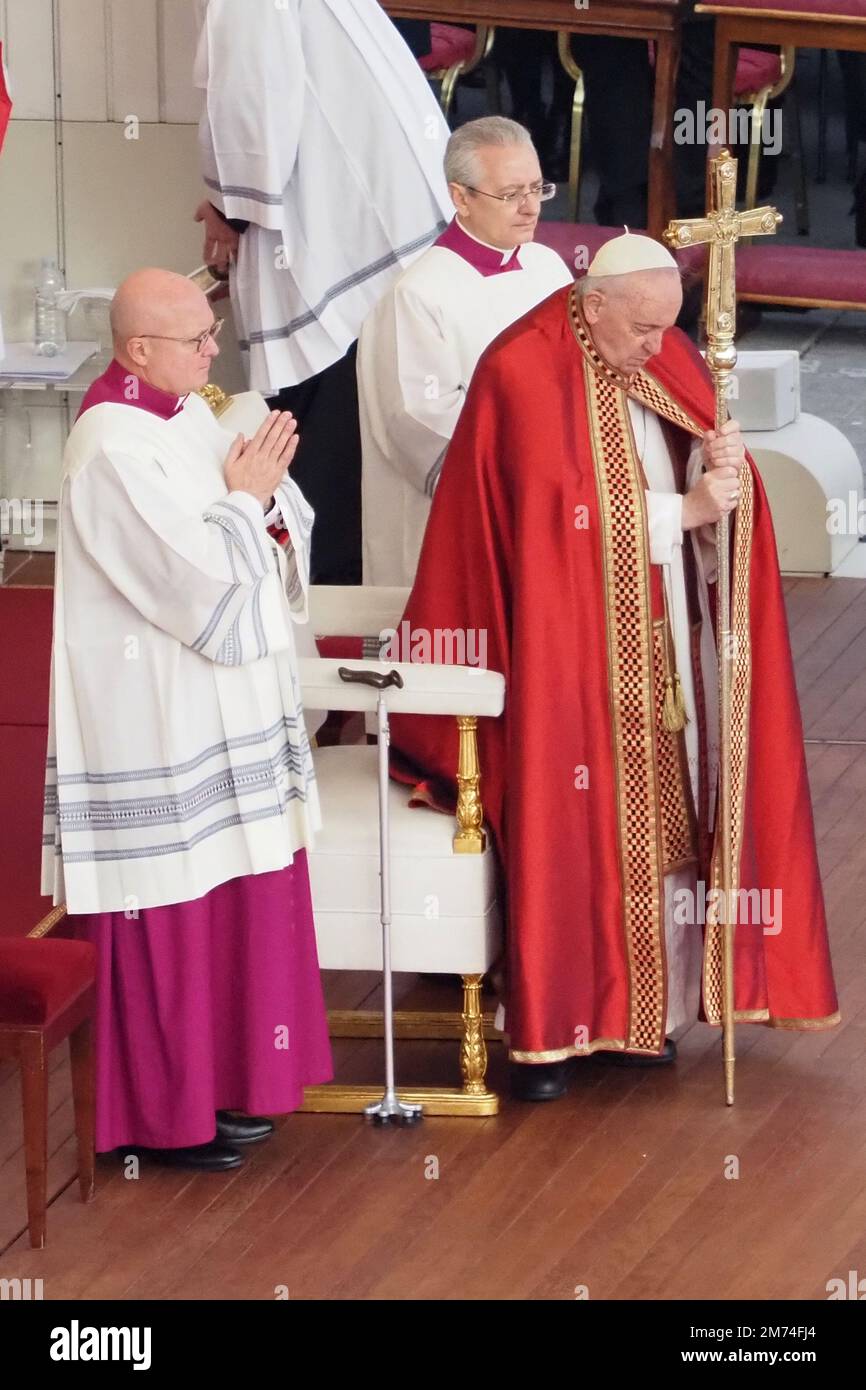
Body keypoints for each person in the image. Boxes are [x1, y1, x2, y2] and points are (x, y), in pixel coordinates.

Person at [390, 231, 840, 1101]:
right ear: (593, 306)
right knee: (571, 827)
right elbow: (557, 533)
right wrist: (685, 507)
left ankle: (649, 1017)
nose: (652, 349)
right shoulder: (523, 370)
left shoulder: (656, 349)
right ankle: (558, 1023)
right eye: (640, 330)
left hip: (653, 634)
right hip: (556, 651)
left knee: (663, 824)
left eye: (666, 330)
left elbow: (689, 472)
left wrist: (722, 490)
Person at [42, 268, 332, 1168]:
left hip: (219, 712)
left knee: (234, 896)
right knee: (168, 910)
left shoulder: (186, 412)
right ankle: (159, 1118)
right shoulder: (111, 446)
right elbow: (193, 587)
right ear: (138, 352)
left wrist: (269, 497)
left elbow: (256, 528)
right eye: (198, 341)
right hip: (153, 718)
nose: (215, 355)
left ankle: (227, 1086)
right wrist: (248, 498)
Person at [193, 0, 453, 584]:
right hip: (369, 224)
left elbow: (252, 115)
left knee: (327, 435)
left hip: (333, 243)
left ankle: (324, 597)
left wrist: (225, 213)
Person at [358, 117, 572, 587]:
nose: (530, 207)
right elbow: (418, 421)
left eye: (538, 188)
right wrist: (531, 458)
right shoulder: (419, 295)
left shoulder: (549, 266)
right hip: (466, 512)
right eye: (511, 193)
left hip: (548, 496)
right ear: (461, 197)